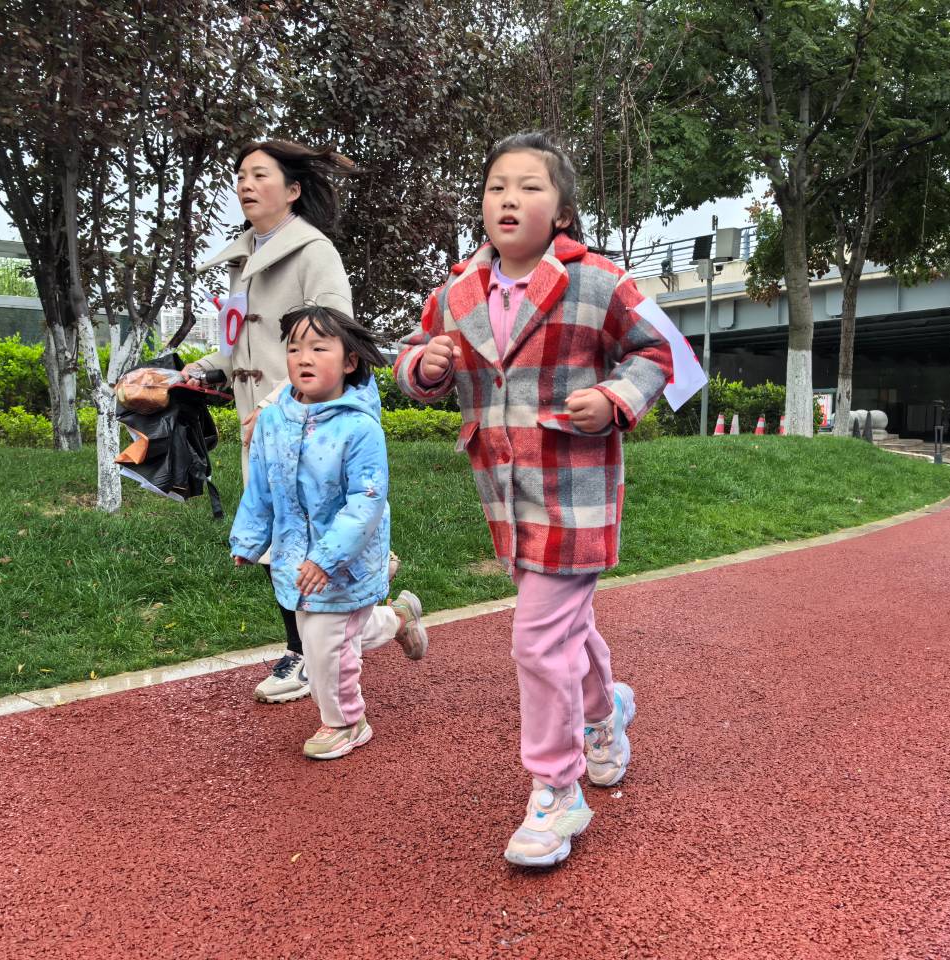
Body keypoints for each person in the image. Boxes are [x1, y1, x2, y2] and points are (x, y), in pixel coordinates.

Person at [393, 132, 671, 867]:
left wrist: (613, 398)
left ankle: (557, 789)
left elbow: (655, 353)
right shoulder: (455, 293)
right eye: (495, 187)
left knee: (536, 637)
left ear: (564, 210)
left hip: (574, 491)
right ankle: (605, 714)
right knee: (564, 631)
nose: (509, 199)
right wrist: (423, 365)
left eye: (528, 186)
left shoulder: (599, 282)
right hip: (504, 494)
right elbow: (411, 364)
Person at [187, 139, 374, 705]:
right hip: (260, 425)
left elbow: (335, 337)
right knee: (277, 535)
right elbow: (237, 342)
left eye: (259, 175)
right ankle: (345, 631)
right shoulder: (241, 261)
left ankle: (306, 653)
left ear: (292, 190)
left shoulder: (314, 253)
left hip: (307, 424)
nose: (245, 184)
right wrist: (192, 373)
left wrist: (276, 406)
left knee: (307, 533)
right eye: (240, 175)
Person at [230, 305, 428, 759]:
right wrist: (249, 539)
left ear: (349, 360)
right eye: (295, 348)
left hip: (344, 561)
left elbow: (366, 500)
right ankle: (399, 618)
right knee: (335, 637)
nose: (304, 358)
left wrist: (327, 557)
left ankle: (345, 722)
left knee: (323, 648)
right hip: (293, 559)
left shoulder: (359, 426)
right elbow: (262, 485)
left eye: (319, 348)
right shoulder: (275, 420)